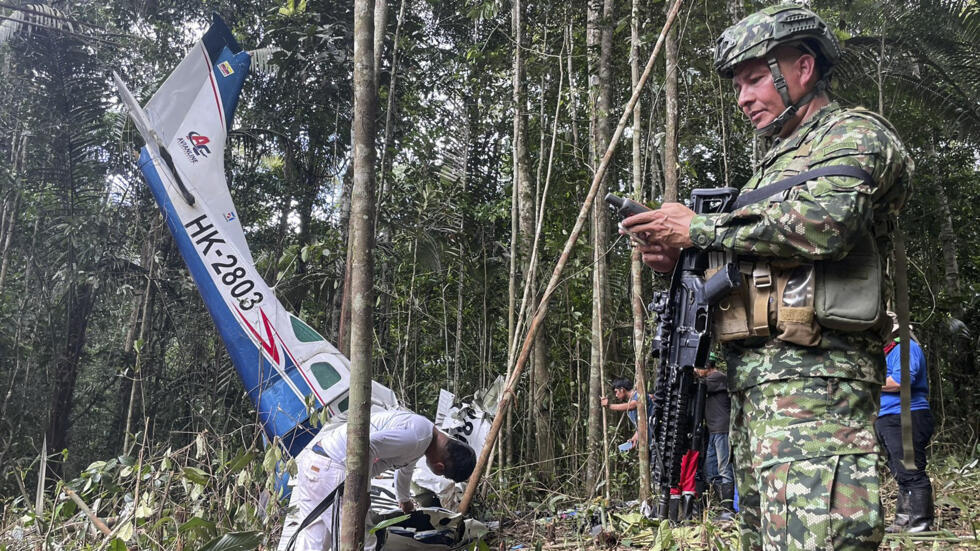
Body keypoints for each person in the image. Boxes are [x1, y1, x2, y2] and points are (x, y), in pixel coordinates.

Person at [621, 5, 912, 550]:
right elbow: (756, 263)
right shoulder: (772, 167)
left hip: (818, 387)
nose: (744, 98)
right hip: (756, 391)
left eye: (755, 79)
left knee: (822, 539)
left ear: (802, 69)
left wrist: (700, 228)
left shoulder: (852, 133)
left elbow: (828, 225)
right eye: (738, 85)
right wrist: (680, 258)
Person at [277, 408, 477, 551]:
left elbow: (405, 469)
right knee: (359, 540)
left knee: (315, 541)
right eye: (441, 474)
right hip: (333, 469)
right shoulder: (415, 438)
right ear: (440, 467)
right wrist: (362, 492)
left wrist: (405, 500)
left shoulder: (424, 433)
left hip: (319, 461)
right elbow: (366, 446)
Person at [875, 314, 934, 533]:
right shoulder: (887, 352)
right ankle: (903, 520)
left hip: (906, 415)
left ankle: (920, 524)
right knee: (900, 470)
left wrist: (868, 380)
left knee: (912, 470)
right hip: (889, 417)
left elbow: (901, 381)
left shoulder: (905, 347)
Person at [694, 353, 735, 519]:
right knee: (711, 471)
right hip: (713, 431)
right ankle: (724, 505)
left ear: (707, 366)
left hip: (722, 430)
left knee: (724, 468)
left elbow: (699, 386)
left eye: (698, 367)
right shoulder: (710, 380)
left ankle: (728, 510)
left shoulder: (717, 377)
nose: (696, 371)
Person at [601, 377, 654, 452]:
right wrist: (634, 438)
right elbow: (641, 424)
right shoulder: (631, 406)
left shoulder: (639, 395)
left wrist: (609, 406)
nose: (616, 395)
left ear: (622, 390)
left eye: (616, 392)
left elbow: (634, 404)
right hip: (650, 442)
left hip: (657, 436)